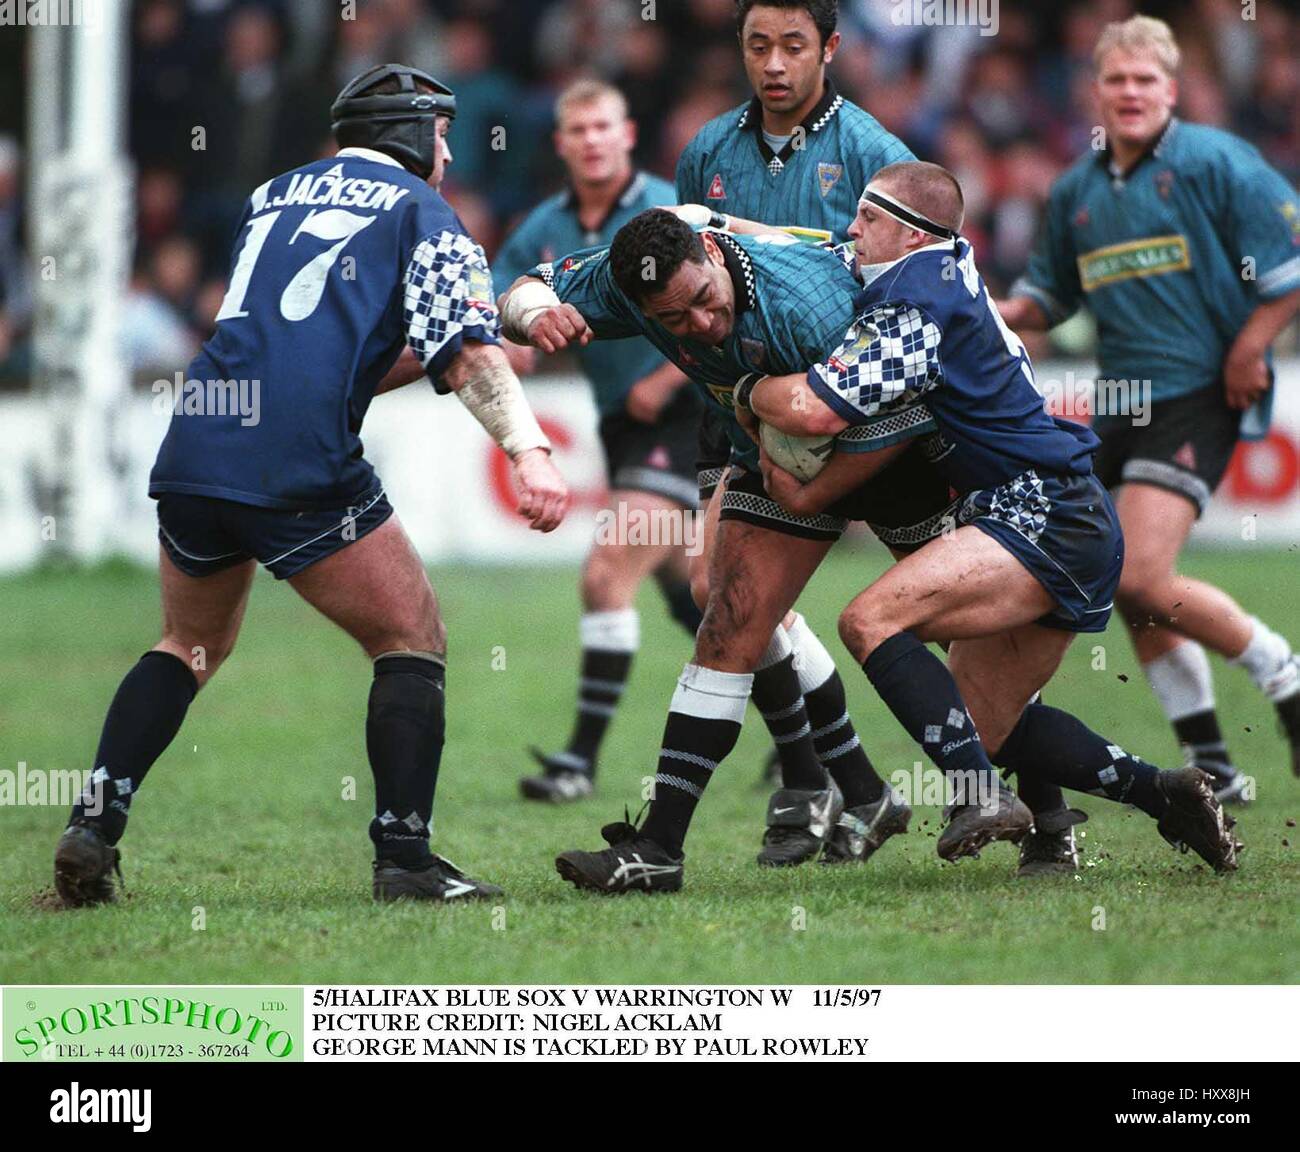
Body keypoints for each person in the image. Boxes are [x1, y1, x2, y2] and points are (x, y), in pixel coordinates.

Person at [52, 64, 568, 909]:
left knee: (188, 642)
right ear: (410, 135)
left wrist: (470, 329)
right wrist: (530, 450)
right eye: (438, 131)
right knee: (411, 636)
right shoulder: (424, 211)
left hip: (199, 436)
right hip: (293, 457)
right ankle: (404, 860)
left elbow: (325, 349)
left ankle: (93, 825)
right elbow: (469, 356)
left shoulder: (271, 195)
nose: (446, 149)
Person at [737, 161, 1239, 875]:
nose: (854, 228)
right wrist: (718, 226)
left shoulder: (915, 306)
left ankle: (978, 797)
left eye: (868, 217)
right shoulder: (941, 263)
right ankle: (1167, 795)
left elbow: (817, 407)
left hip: (1039, 509)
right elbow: (816, 244)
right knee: (989, 724)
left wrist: (744, 386)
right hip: (1068, 515)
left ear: (908, 234)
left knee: (869, 621)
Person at [501, 208, 953, 889]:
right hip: (770, 454)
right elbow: (527, 285)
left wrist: (807, 478)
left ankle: (1048, 804)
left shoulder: (807, 301)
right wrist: (534, 314)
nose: (701, 327)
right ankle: (665, 847)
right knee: (727, 616)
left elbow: (904, 406)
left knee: (967, 636)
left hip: (897, 451)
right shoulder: (639, 267)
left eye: (706, 303)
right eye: (675, 320)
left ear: (713, 248)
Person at [671, 0, 961, 865]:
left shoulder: (875, 154)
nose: (775, 64)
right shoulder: (707, 151)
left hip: (865, 417)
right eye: (759, 45)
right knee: (725, 600)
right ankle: (829, 785)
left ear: (830, 48)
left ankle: (1021, 797)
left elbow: (922, 279)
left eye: (794, 46)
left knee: (948, 612)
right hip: (745, 409)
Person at [997, 16, 1300, 799]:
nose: (1129, 93)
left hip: (1200, 392)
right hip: (1117, 404)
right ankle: (1219, 770)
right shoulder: (1076, 190)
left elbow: (1290, 270)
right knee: (1125, 585)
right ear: (1095, 90)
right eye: (1116, 80)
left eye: (1145, 80)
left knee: (1138, 574)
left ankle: (1282, 674)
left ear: (1172, 88)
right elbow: (1047, 296)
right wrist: (976, 306)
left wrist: (1247, 347)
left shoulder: (1217, 162)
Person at [492, 80, 703, 804]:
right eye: (577, 128)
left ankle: (579, 762)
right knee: (706, 599)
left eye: (603, 126)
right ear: (561, 143)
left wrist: (667, 382)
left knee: (607, 569)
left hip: (683, 416)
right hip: (622, 424)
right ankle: (811, 748)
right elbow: (502, 299)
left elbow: (723, 307)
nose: (591, 139)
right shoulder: (543, 227)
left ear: (628, 134)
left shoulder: (667, 210)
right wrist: (512, 335)